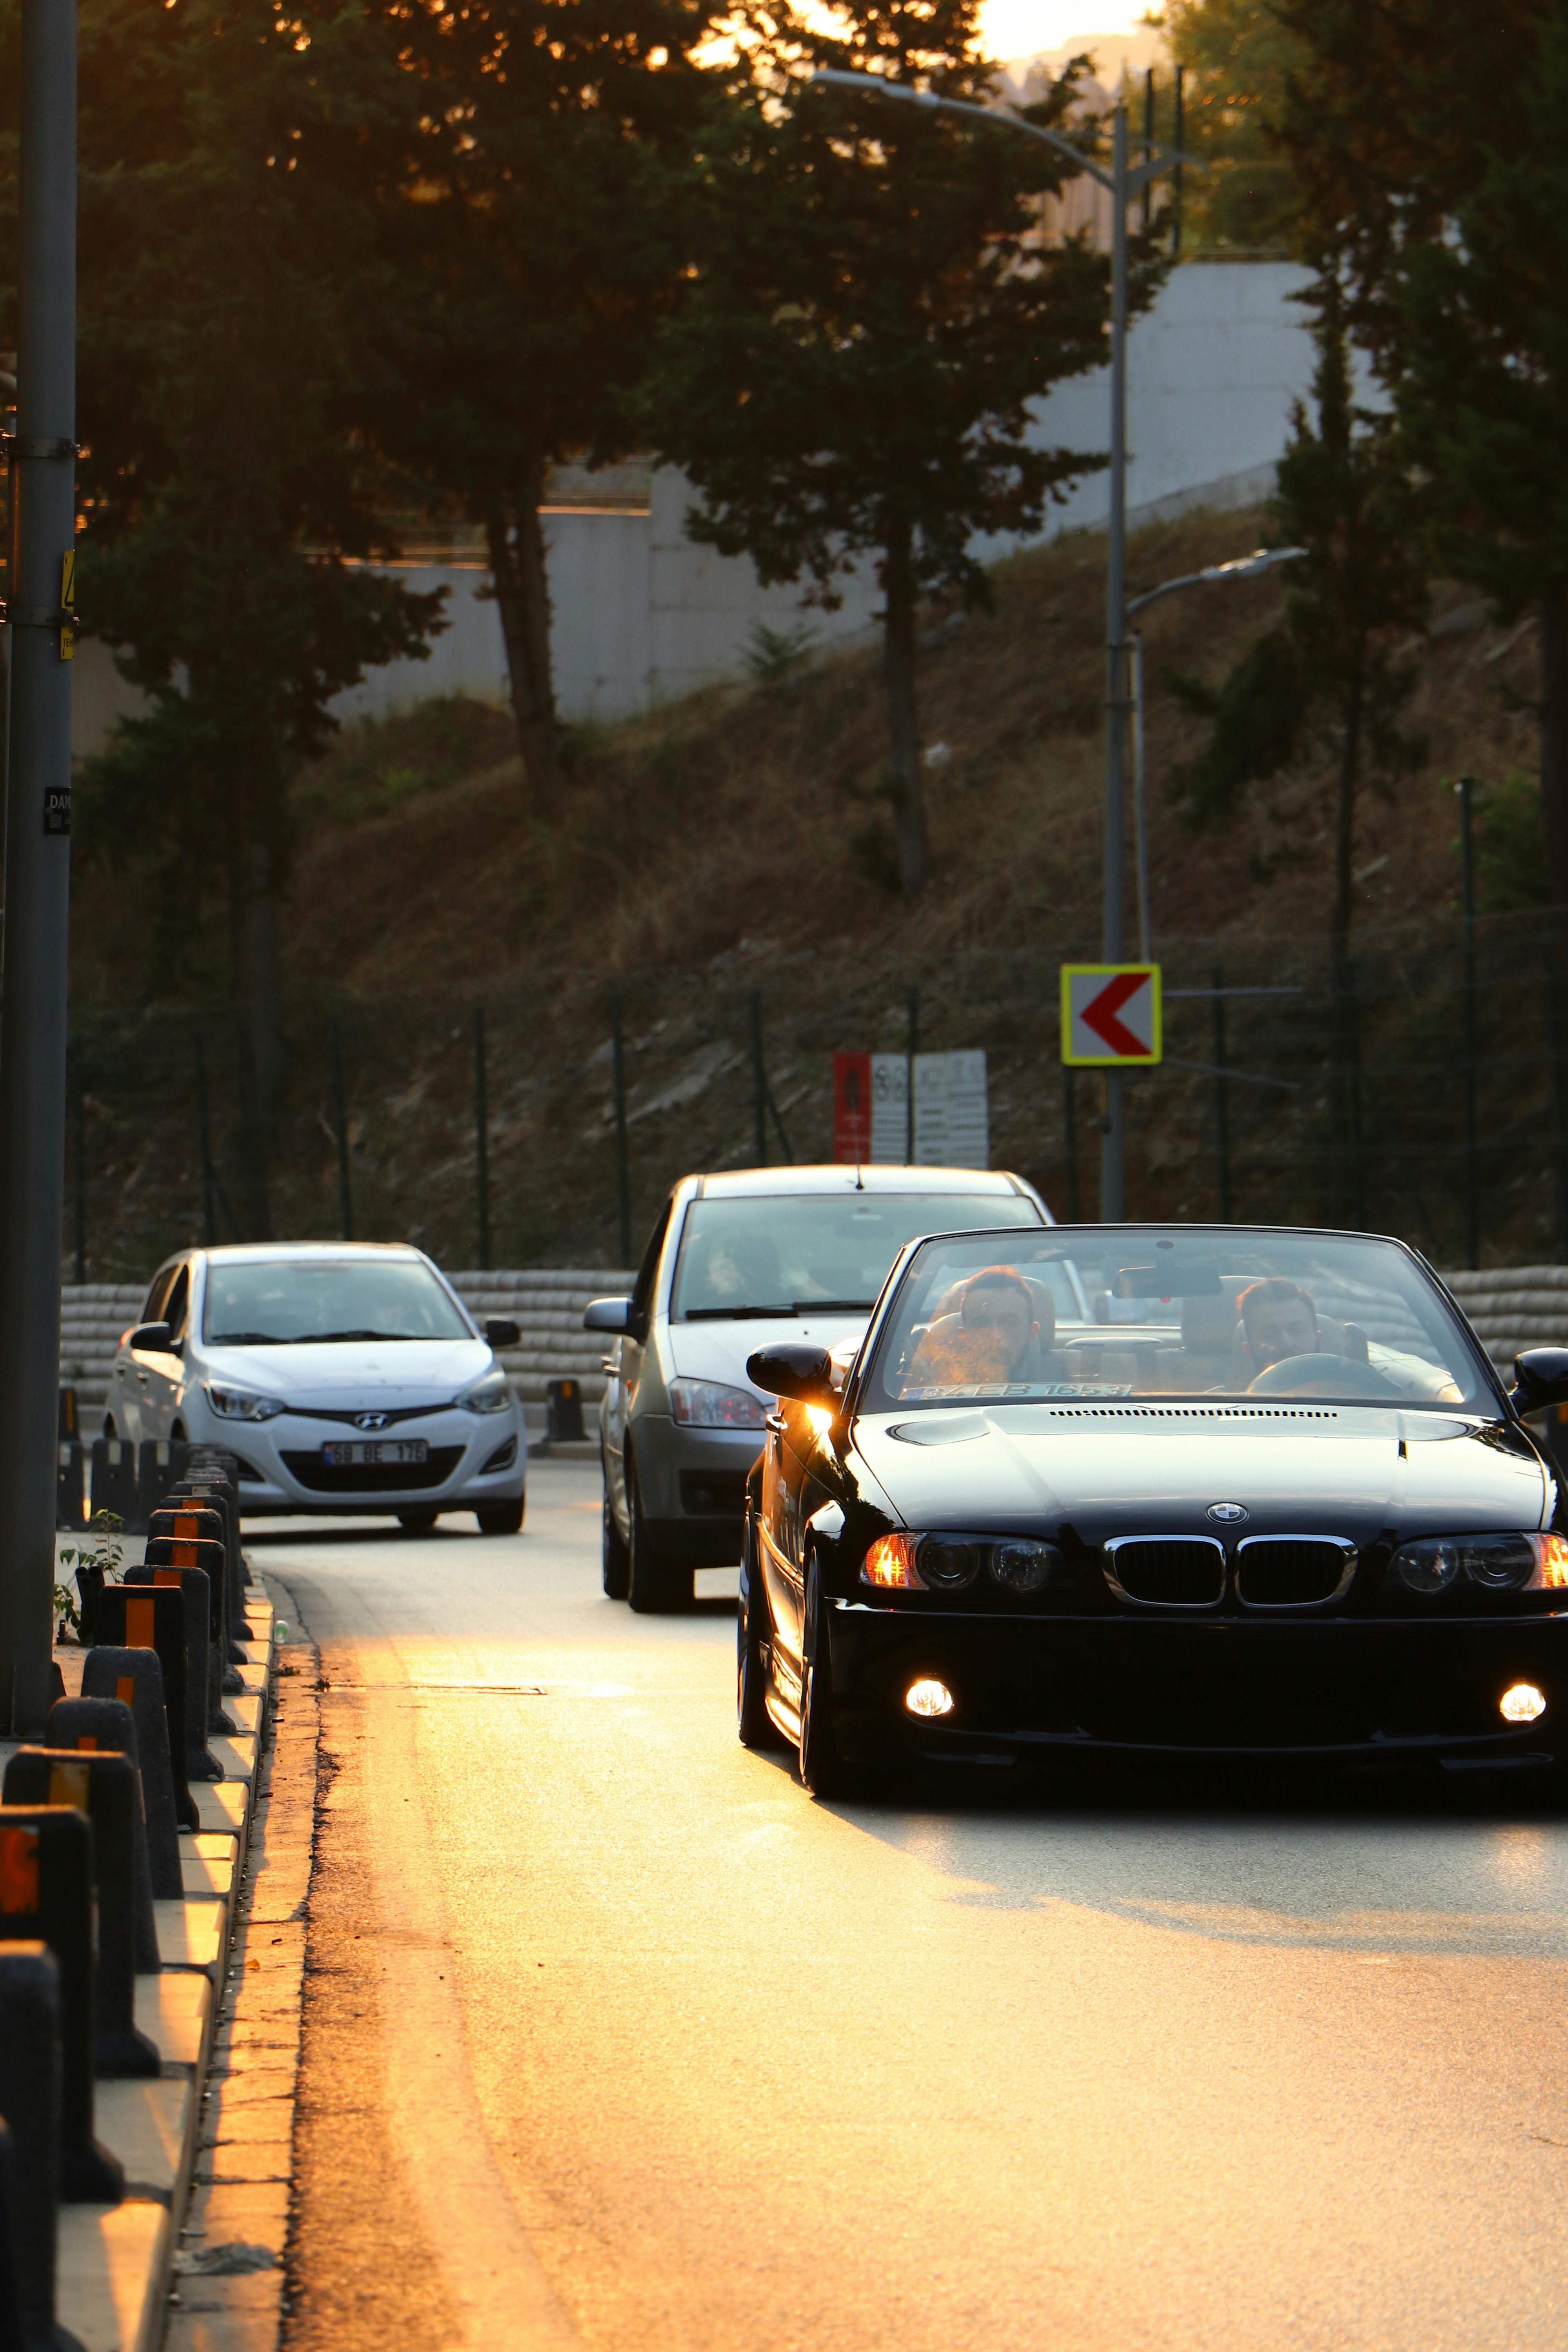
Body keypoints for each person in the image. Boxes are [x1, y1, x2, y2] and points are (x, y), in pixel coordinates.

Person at [906, 1266, 1051, 1389]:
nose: (996, 1337)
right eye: (982, 1324)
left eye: (1009, 1322)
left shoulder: (1069, 1378)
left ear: (1032, 1333)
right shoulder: (931, 1395)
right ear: (964, 1337)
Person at [1238, 1278, 1319, 1375]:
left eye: (1298, 1331)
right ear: (1249, 1351)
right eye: (1270, 1335)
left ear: (1318, 1340)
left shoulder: (1341, 1390)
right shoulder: (1218, 1392)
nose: (1287, 1344)